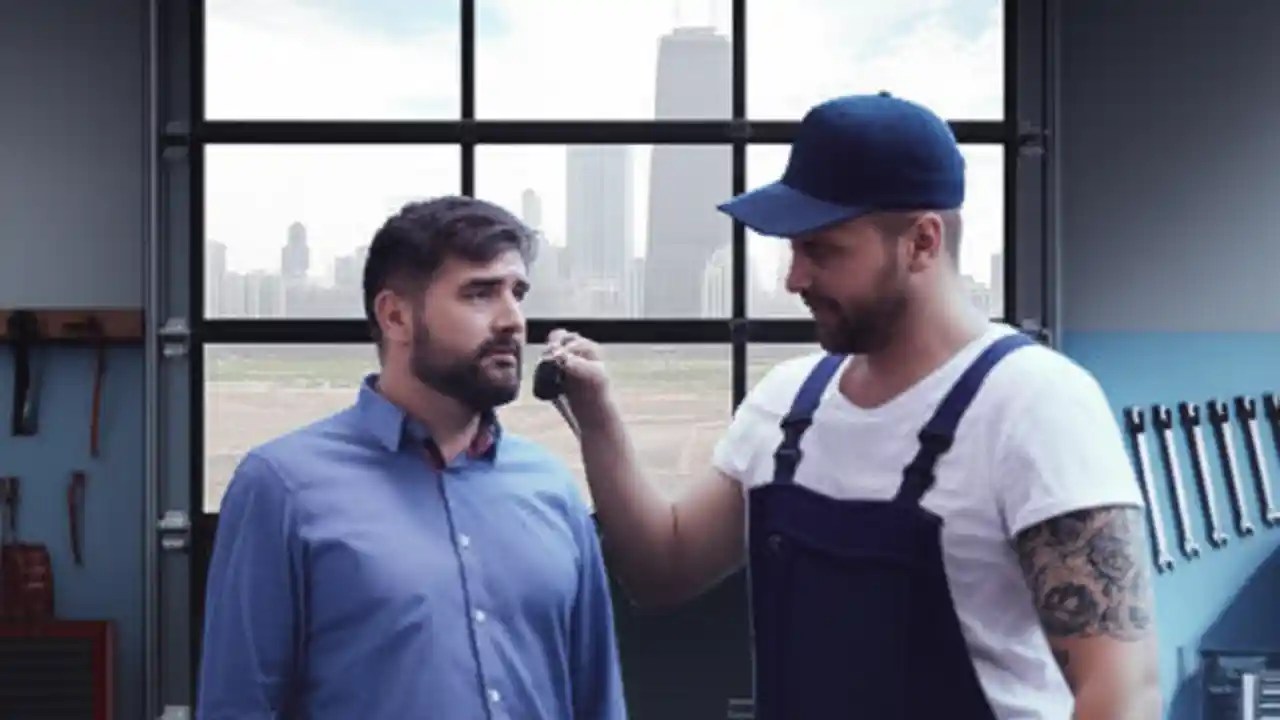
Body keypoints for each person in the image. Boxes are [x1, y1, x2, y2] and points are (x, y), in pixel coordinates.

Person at [544, 94, 1160, 719]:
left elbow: (1120, 694)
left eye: (824, 250)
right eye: (794, 250)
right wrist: (598, 418)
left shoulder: (1034, 405)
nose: (795, 279)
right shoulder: (787, 404)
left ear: (922, 242)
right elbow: (663, 571)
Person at [197, 196, 627, 719]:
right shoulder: (282, 488)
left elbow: (598, 700)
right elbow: (238, 704)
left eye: (517, 293)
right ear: (396, 315)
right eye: (479, 293)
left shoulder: (552, 490)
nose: (513, 321)